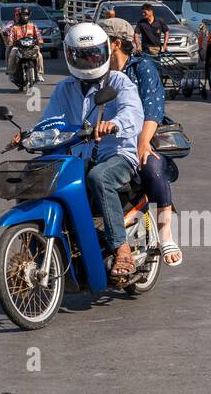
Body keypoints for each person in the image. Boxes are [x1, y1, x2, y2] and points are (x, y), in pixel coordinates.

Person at [29, 22, 144, 281]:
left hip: (117, 156)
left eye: (93, 53)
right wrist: (30, 135)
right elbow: (51, 121)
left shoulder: (119, 81)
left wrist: (113, 124)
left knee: (99, 178)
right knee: (41, 176)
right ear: (70, 55)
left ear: (104, 51)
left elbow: (134, 113)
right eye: (81, 55)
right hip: (78, 158)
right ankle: (40, 250)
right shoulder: (64, 88)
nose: (88, 60)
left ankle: (121, 248)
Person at [99, 17, 182, 266]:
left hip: (143, 134)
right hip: (105, 141)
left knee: (151, 166)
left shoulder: (141, 67)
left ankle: (165, 233)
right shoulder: (98, 71)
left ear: (114, 43)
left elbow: (152, 108)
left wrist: (143, 142)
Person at [1, 6, 45, 81]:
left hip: (31, 47)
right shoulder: (14, 26)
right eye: (23, 15)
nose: (24, 17)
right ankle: (11, 73)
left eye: (26, 15)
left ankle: (39, 73)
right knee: (11, 54)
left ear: (29, 16)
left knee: (39, 55)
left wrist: (40, 41)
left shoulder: (33, 26)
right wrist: (10, 41)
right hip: (18, 47)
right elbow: (10, 35)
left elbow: (38, 35)